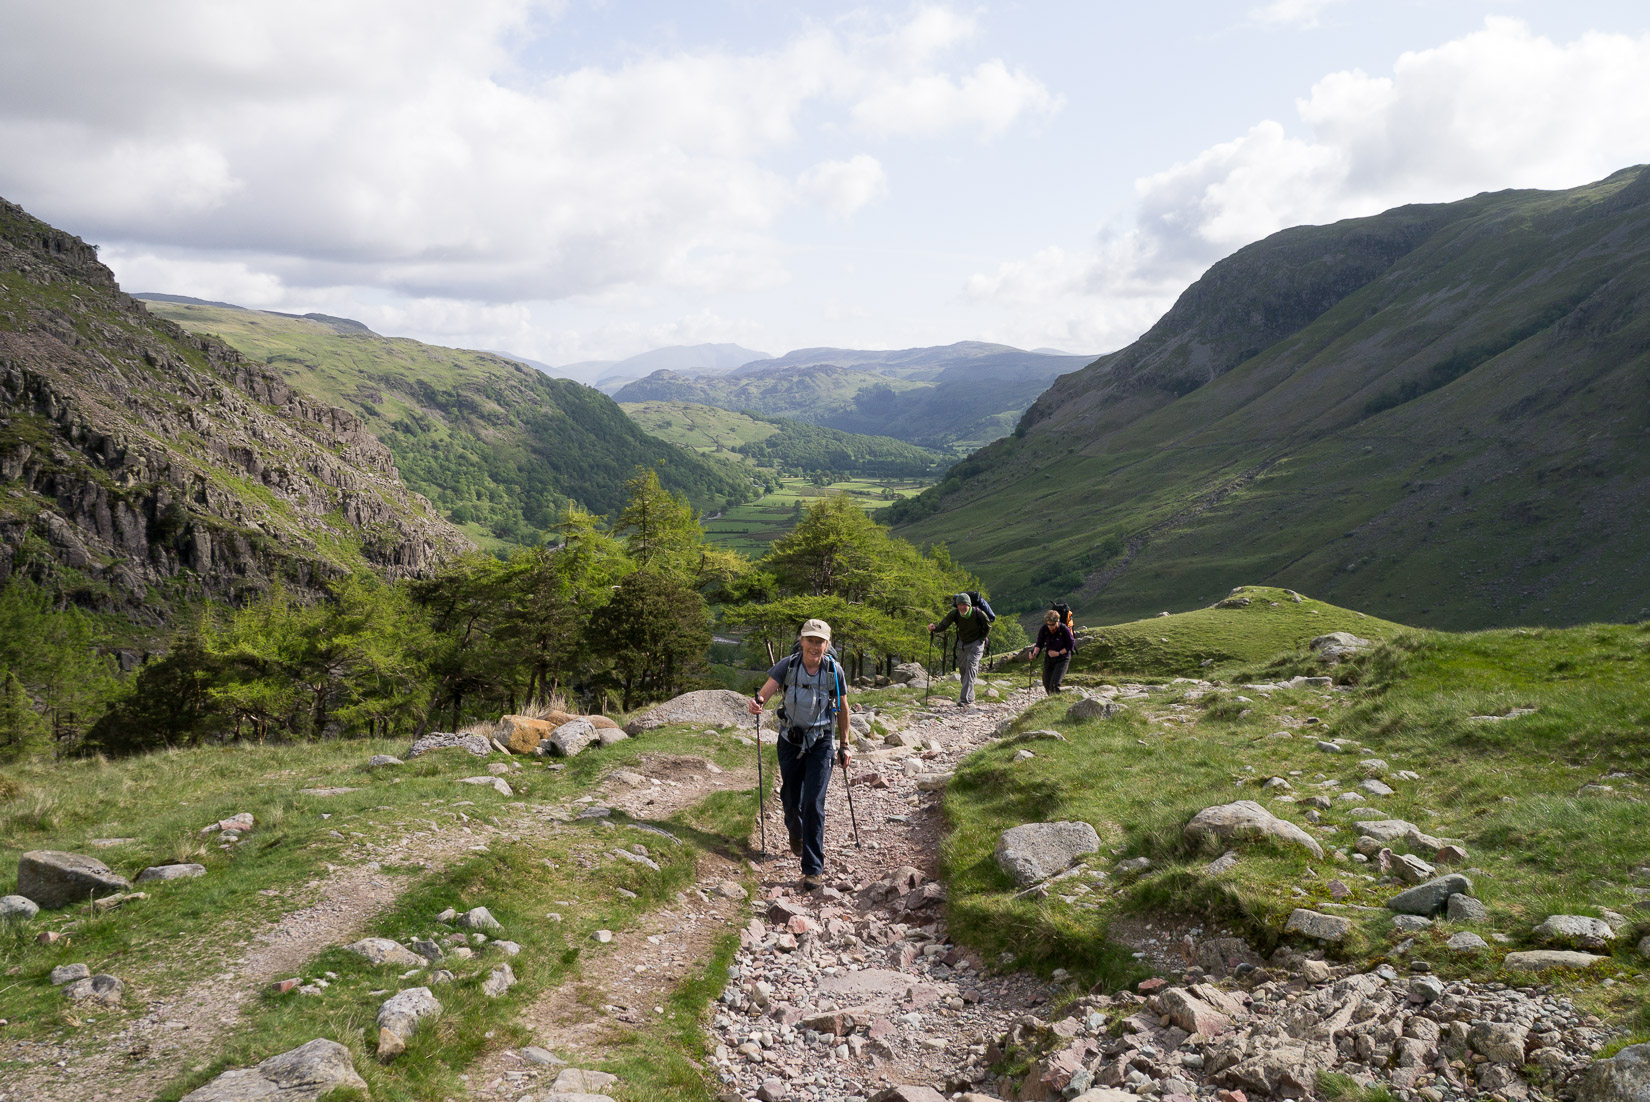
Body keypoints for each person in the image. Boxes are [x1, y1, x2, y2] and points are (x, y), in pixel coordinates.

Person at [747, 618, 851, 891]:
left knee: (813, 803)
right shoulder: (788, 665)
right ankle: (795, 830)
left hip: (821, 741)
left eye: (820, 641)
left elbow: (842, 708)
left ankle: (813, 869)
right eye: (810, 640)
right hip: (790, 740)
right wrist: (757, 702)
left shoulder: (834, 671)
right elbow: (765, 692)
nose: (815, 646)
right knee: (791, 799)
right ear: (802, 641)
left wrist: (845, 744)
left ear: (827, 644)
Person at [929, 593, 990, 707]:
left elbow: (988, 627)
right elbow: (944, 624)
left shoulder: (979, 613)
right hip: (963, 643)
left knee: (971, 669)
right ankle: (970, 696)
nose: (962, 607)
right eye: (959, 605)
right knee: (963, 669)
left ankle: (964, 700)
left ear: (969, 605)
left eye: (964, 605)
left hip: (976, 644)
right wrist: (935, 628)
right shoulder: (955, 613)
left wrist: (981, 640)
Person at [1030, 608, 1076, 694]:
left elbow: (1071, 644)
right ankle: (1051, 700)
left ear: (1057, 622)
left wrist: (1058, 653)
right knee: (1046, 683)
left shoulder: (1064, 629)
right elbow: (1039, 643)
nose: (1050, 627)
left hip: (1063, 658)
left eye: (1052, 625)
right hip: (1049, 658)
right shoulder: (1044, 629)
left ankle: (1056, 702)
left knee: (1055, 684)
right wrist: (1034, 653)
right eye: (1048, 624)